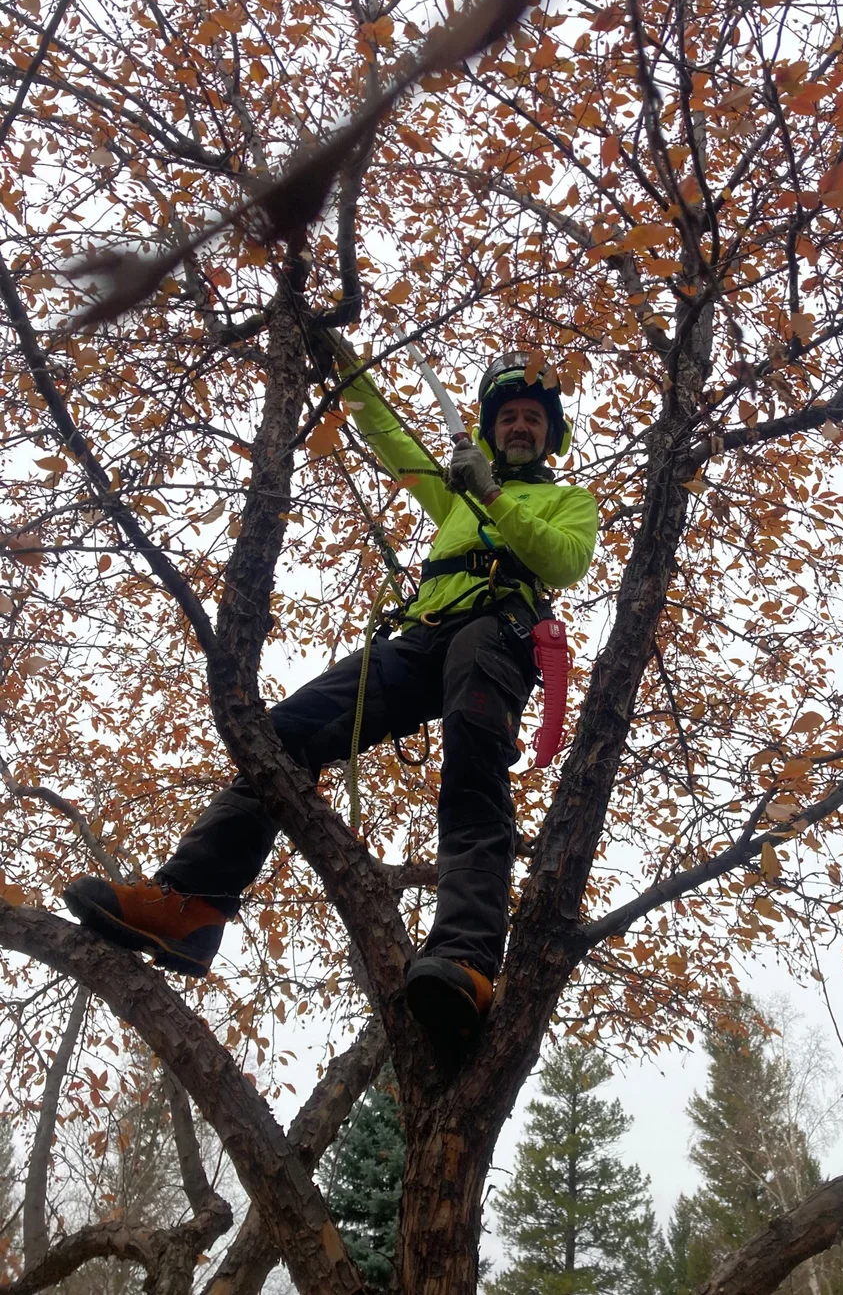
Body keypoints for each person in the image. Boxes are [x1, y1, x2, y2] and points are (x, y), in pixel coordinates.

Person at [64, 351, 598, 1038]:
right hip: (422, 637)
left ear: (550, 436)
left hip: (497, 633)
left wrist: (491, 493)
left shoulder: (566, 502)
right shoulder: (454, 491)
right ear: (491, 429)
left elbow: (562, 560)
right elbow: (392, 438)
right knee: (285, 732)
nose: (519, 426)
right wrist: (340, 362)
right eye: (508, 417)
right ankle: (192, 903)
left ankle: (464, 959)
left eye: (532, 419)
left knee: (473, 771)